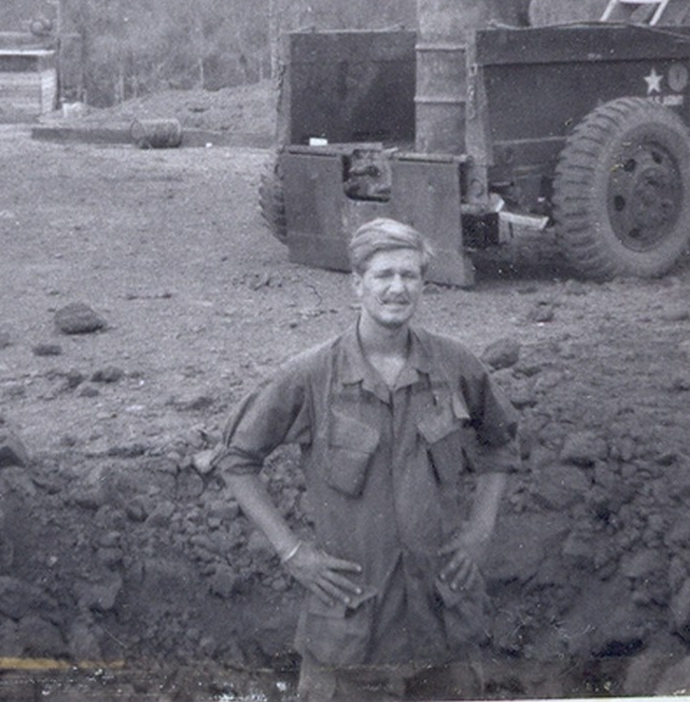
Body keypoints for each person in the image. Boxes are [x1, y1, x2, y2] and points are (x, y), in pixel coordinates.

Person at [214, 217, 519, 701]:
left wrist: (480, 529)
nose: (398, 288)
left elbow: (501, 441)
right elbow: (235, 458)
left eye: (409, 275)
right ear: (357, 285)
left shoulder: (454, 364)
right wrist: (291, 552)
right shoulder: (312, 375)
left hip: (443, 624)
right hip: (351, 635)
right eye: (383, 275)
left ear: (423, 284)